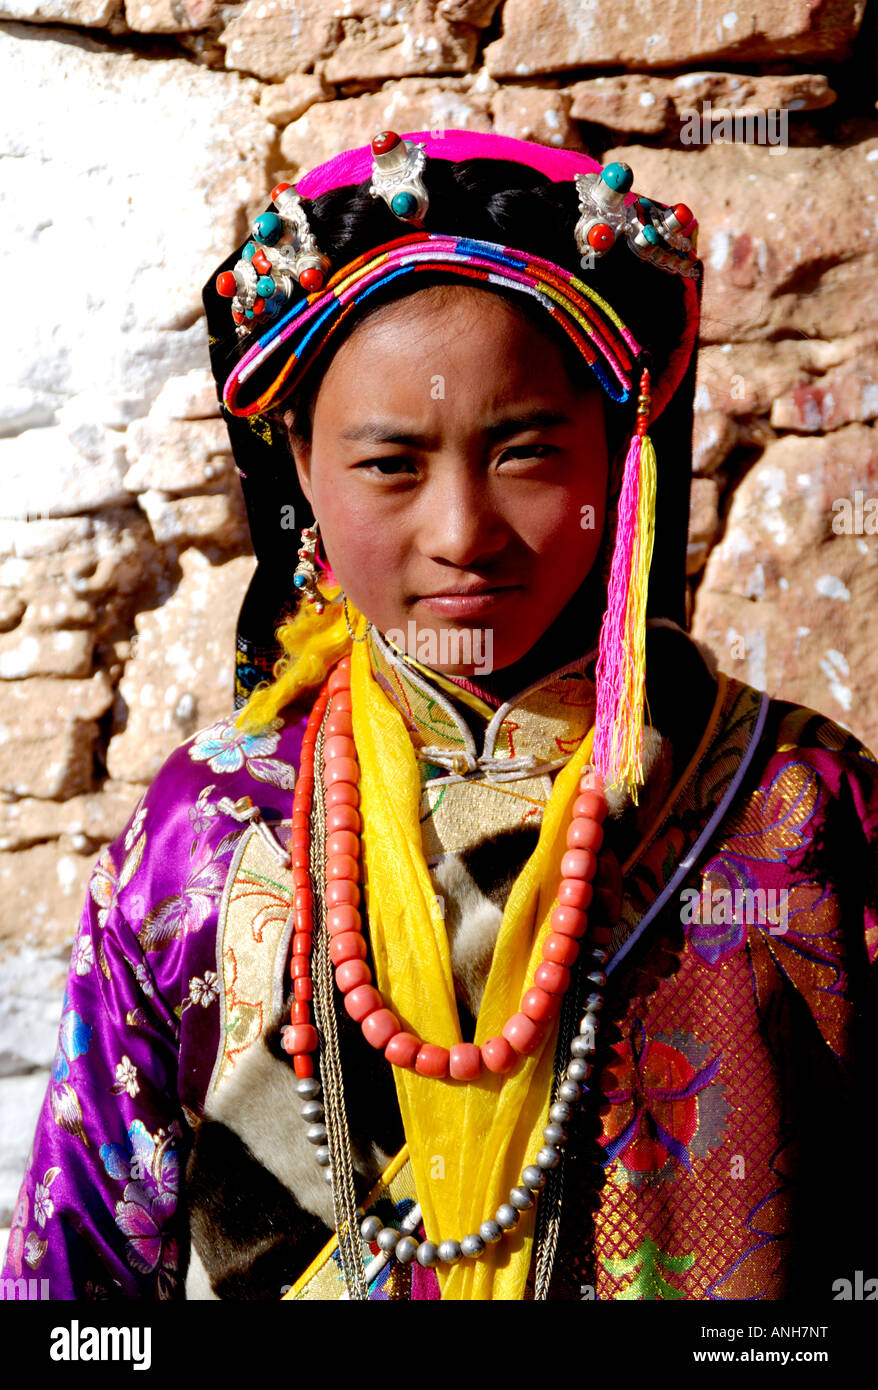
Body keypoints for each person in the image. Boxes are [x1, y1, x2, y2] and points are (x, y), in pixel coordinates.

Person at [3, 130, 875, 1302]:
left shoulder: (799, 814)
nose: (462, 530)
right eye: (389, 465)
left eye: (524, 451)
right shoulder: (202, 839)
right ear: (299, 469)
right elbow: (77, 1300)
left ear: (619, 459)